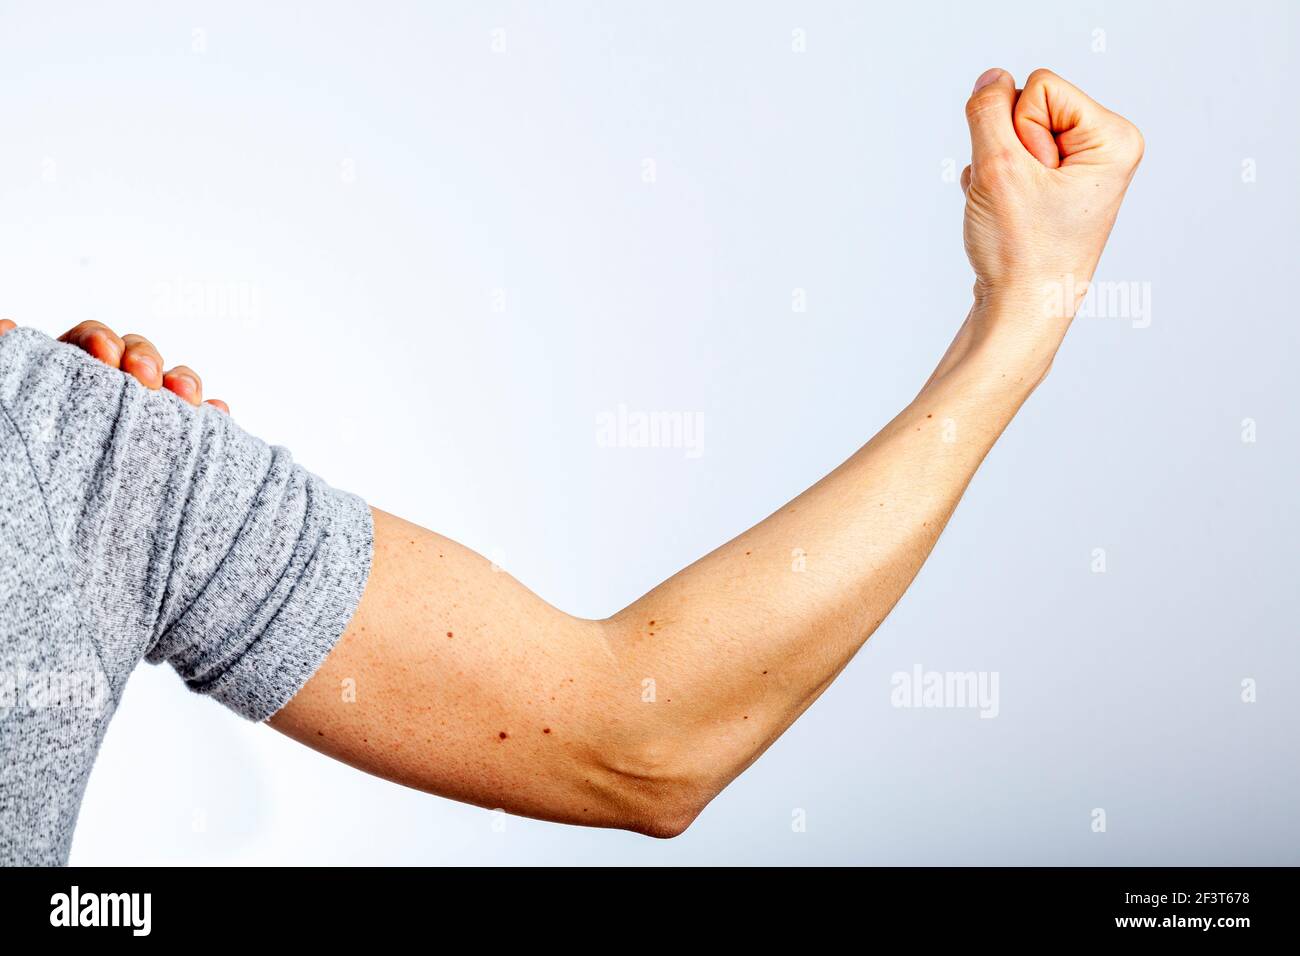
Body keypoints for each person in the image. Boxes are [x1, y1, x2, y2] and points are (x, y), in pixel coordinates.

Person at [0, 68, 1142, 864]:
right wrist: (1024, 315)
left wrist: (1018, 316)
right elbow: (638, 738)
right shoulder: (69, 443)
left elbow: (635, 735)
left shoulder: (77, 441)